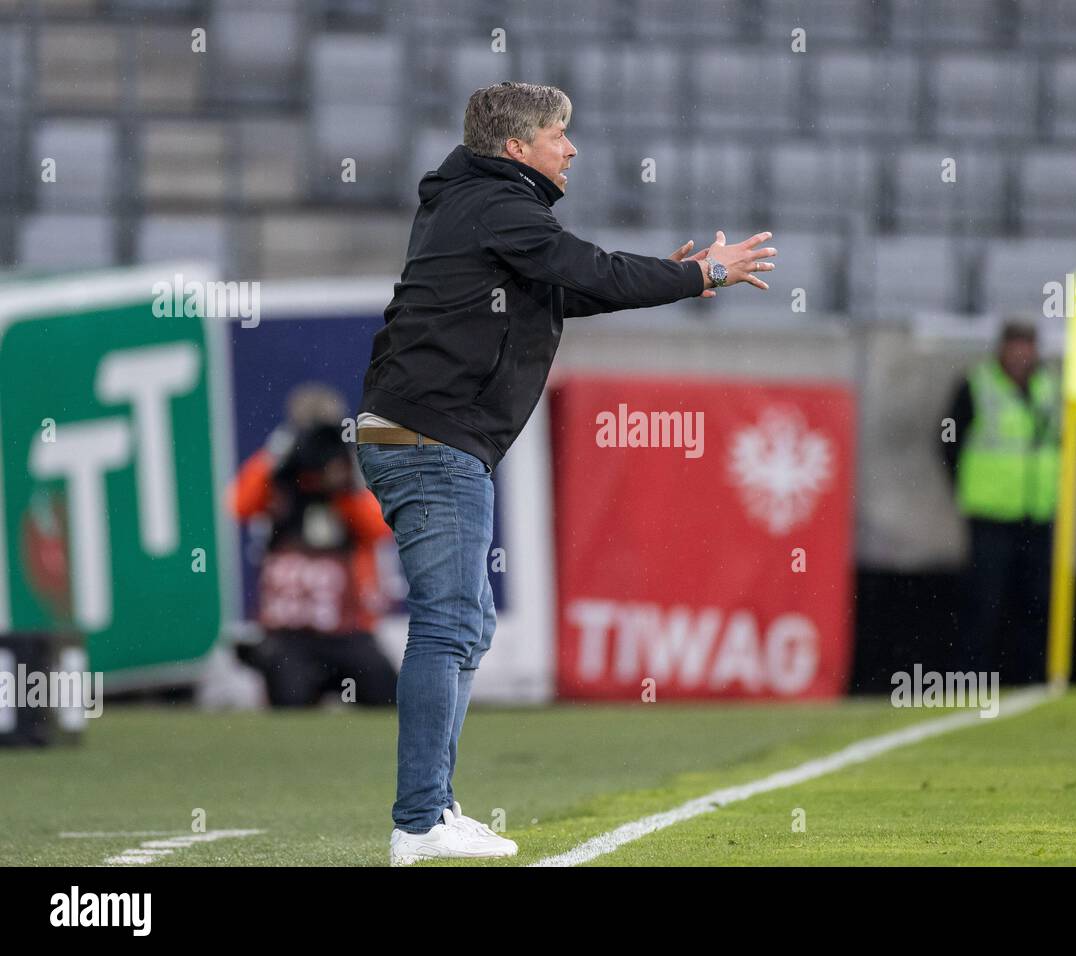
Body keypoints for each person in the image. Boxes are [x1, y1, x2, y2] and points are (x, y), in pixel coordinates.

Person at [355, 81, 778, 864]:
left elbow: (560, 288)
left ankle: (434, 806)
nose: (572, 148)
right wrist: (700, 277)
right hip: (431, 436)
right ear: (518, 148)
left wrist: (667, 276)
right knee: (449, 622)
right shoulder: (499, 208)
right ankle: (419, 821)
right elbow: (590, 269)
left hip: (414, 431)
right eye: (559, 134)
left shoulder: (474, 204)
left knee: (466, 623)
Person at [228, 383, 397, 707]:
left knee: (388, 698)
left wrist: (345, 485)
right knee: (289, 702)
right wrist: (279, 458)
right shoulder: (278, 474)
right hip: (290, 632)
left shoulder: (352, 471)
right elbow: (239, 505)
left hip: (349, 629)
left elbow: (381, 527)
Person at [939, 321, 1061, 686]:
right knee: (984, 599)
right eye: (1015, 347)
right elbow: (948, 440)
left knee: (1037, 600)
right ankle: (970, 676)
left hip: (1038, 510)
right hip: (990, 512)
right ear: (1002, 349)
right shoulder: (978, 385)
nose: (1022, 355)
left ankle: (1031, 678)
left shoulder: (1050, 388)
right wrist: (965, 485)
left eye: (1028, 347)